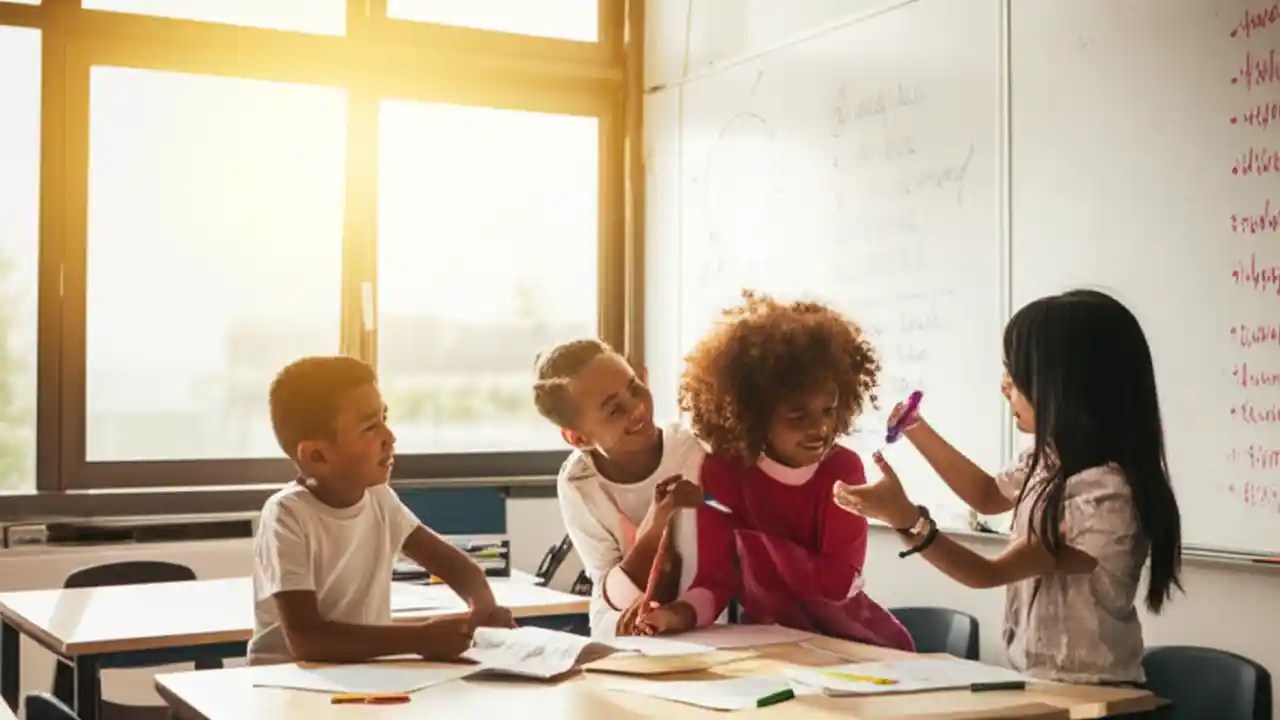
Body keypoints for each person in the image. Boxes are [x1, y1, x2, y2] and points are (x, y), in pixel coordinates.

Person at [835, 289, 1183, 686]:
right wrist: (916, 428)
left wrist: (906, 519)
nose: (1004, 386)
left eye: (1015, 372)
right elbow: (985, 495)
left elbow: (986, 572)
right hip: (1041, 683)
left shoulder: (1105, 495)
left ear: (1065, 385)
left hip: (1095, 695)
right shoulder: (1048, 461)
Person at [636, 291, 913, 651]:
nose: (819, 429)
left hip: (858, 646)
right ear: (753, 415)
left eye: (829, 409)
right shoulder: (723, 471)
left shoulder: (842, 469)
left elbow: (837, 584)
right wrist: (676, 615)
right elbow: (715, 580)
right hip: (772, 648)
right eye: (797, 416)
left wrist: (756, 536)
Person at [249, 356, 514, 665]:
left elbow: (458, 567)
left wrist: (482, 611)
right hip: (287, 682)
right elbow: (308, 639)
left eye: (385, 419)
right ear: (317, 455)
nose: (390, 437)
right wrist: (421, 637)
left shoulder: (379, 498)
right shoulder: (287, 515)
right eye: (370, 428)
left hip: (364, 676)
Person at [534, 339, 703, 637]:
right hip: (624, 626)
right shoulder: (579, 482)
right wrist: (653, 531)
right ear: (578, 439)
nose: (637, 407)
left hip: (701, 622)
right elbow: (613, 595)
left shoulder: (694, 452)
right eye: (614, 410)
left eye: (635, 386)